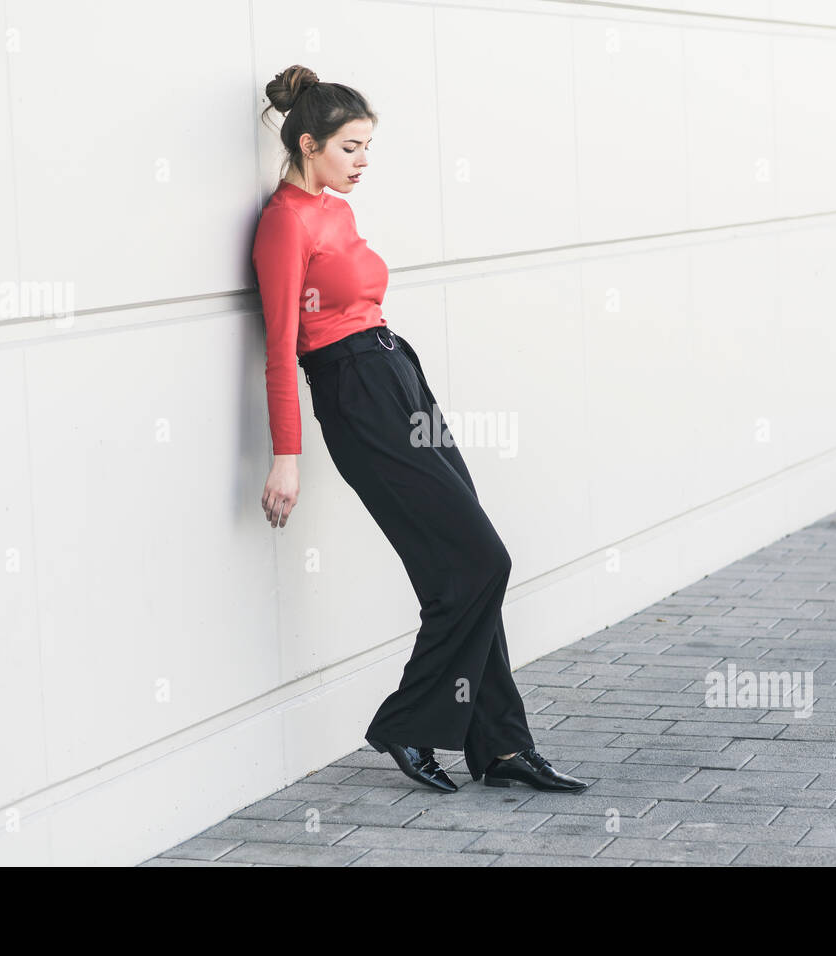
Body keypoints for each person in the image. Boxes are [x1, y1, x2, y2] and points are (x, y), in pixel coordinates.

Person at [250, 65, 586, 794]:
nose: (363, 162)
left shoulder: (336, 209)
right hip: (355, 391)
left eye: (368, 146)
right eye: (350, 148)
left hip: (397, 372)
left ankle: (499, 747)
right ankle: (405, 722)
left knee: (462, 572)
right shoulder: (286, 222)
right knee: (482, 561)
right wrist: (287, 455)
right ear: (309, 145)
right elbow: (281, 346)